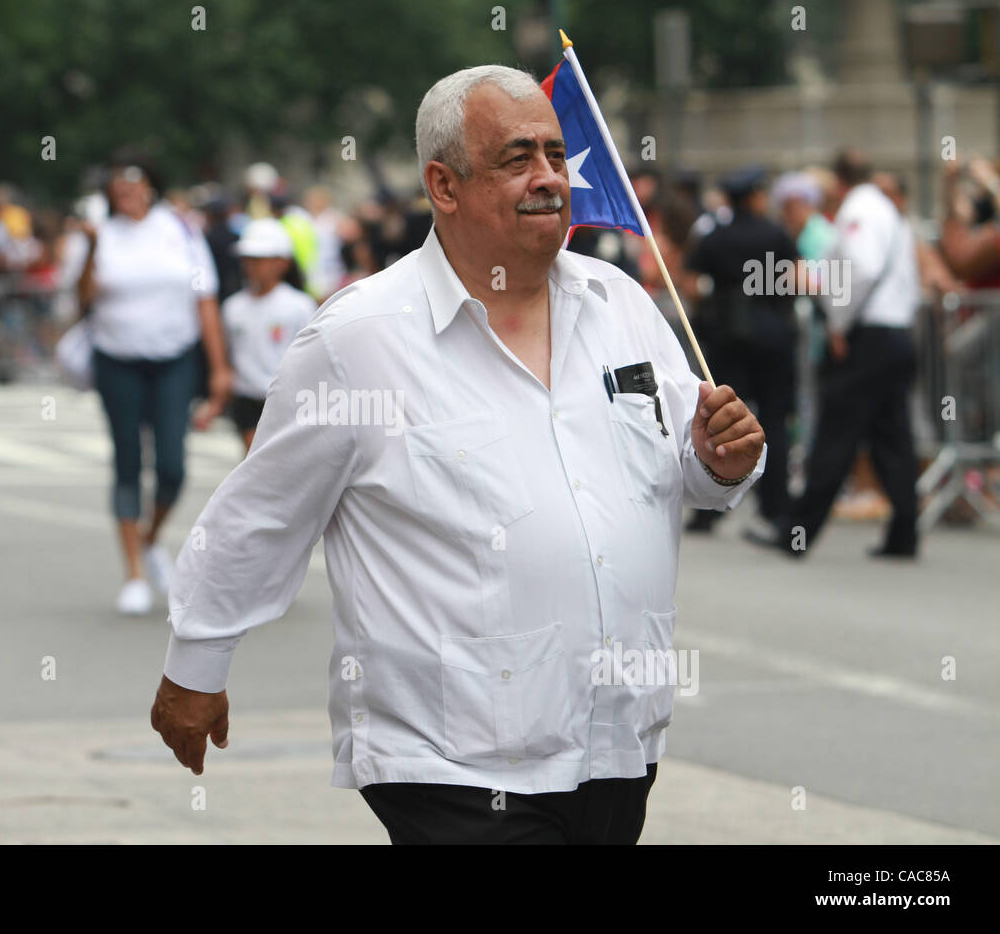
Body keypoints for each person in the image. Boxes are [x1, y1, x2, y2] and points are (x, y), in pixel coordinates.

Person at [150, 65, 765, 844]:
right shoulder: (360, 338)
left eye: (554, 153)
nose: (549, 178)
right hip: (451, 757)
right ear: (444, 185)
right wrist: (195, 665)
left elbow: (690, 472)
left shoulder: (621, 304)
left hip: (617, 738)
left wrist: (721, 460)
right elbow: (261, 513)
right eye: (517, 159)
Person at [77, 159, 231, 616]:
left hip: (173, 360)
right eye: (117, 185)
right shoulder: (98, 234)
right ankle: (134, 573)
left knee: (172, 466)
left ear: (150, 187)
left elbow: (204, 299)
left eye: (134, 182)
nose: (126, 191)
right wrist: (87, 251)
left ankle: (148, 540)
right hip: (117, 360)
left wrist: (219, 367)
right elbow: (82, 297)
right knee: (127, 461)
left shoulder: (179, 229)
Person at [751, 149, 921, 559]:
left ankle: (797, 534)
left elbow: (860, 269)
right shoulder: (885, 211)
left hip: (871, 339)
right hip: (895, 335)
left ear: (840, 182)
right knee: (891, 439)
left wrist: (839, 323)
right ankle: (904, 535)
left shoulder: (859, 209)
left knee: (834, 436)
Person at [683, 167, 799, 540]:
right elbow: (795, 277)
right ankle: (775, 507)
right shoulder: (775, 233)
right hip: (773, 335)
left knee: (722, 418)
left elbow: (691, 283)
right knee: (775, 421)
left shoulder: (716, 236)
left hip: (729, 336)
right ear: (753, 197)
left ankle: (709, 510)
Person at [212, 219, 317, 453]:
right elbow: (229, 356)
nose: (251, 266)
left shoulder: (299, 306)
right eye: (247, 259)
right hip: (247, 399)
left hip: (288, 401)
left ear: (281, 263)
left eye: (259, 260)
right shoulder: (233, 307)